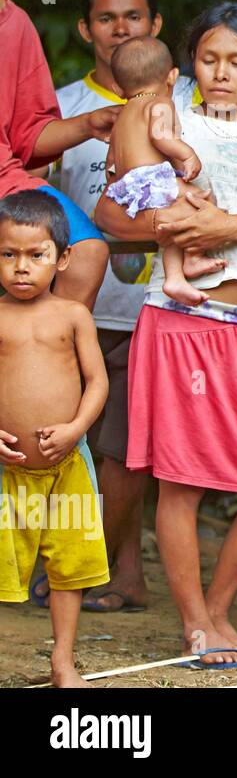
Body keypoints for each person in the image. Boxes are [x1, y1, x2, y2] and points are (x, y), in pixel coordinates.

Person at [94, 2, 237, 667]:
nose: (221, 73)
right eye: (209, 58)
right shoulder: (167, 117)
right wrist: (169, 226)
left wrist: (227, 229)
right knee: (182, 483)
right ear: (187, 64)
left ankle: (219, 611)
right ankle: (197, 626)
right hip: (182, 324)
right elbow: (112, 206)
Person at [51, 0, 199, 613]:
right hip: (79, 304)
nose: (119, 29)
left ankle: (105, 569)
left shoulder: (191, 99)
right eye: (106, 18)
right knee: (72, 438)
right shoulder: (60, 108)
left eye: (132, 17)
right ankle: (100, 569)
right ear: (86, 28)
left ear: (155, 25)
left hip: (158, 308)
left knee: (128, 446)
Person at [0, 191, 109, 686]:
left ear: (62, 259)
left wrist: (75, 429)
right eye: (8, 254)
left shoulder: (73, 316)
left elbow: (98, 382)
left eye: (36, 255)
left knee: (70, 564)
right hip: (7, 466)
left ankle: (63, 661)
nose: (22, 268)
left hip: (68, 465)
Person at [0, 0, 117, 309]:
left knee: (85, 252)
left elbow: (27, 135)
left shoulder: (14, 23)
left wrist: (89, 124)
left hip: (4, 177)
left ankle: (47, 355)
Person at [103, 35, 225, 305]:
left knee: (172, 223)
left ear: (118, 87)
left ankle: (174, 277)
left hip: (126, 186)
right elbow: (160, 136)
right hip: (151, 178)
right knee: (203, 202)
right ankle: (192, 258)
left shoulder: (122, 115)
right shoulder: (159, 103)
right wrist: (187, 153)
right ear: (172, 77)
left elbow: (111, 161)